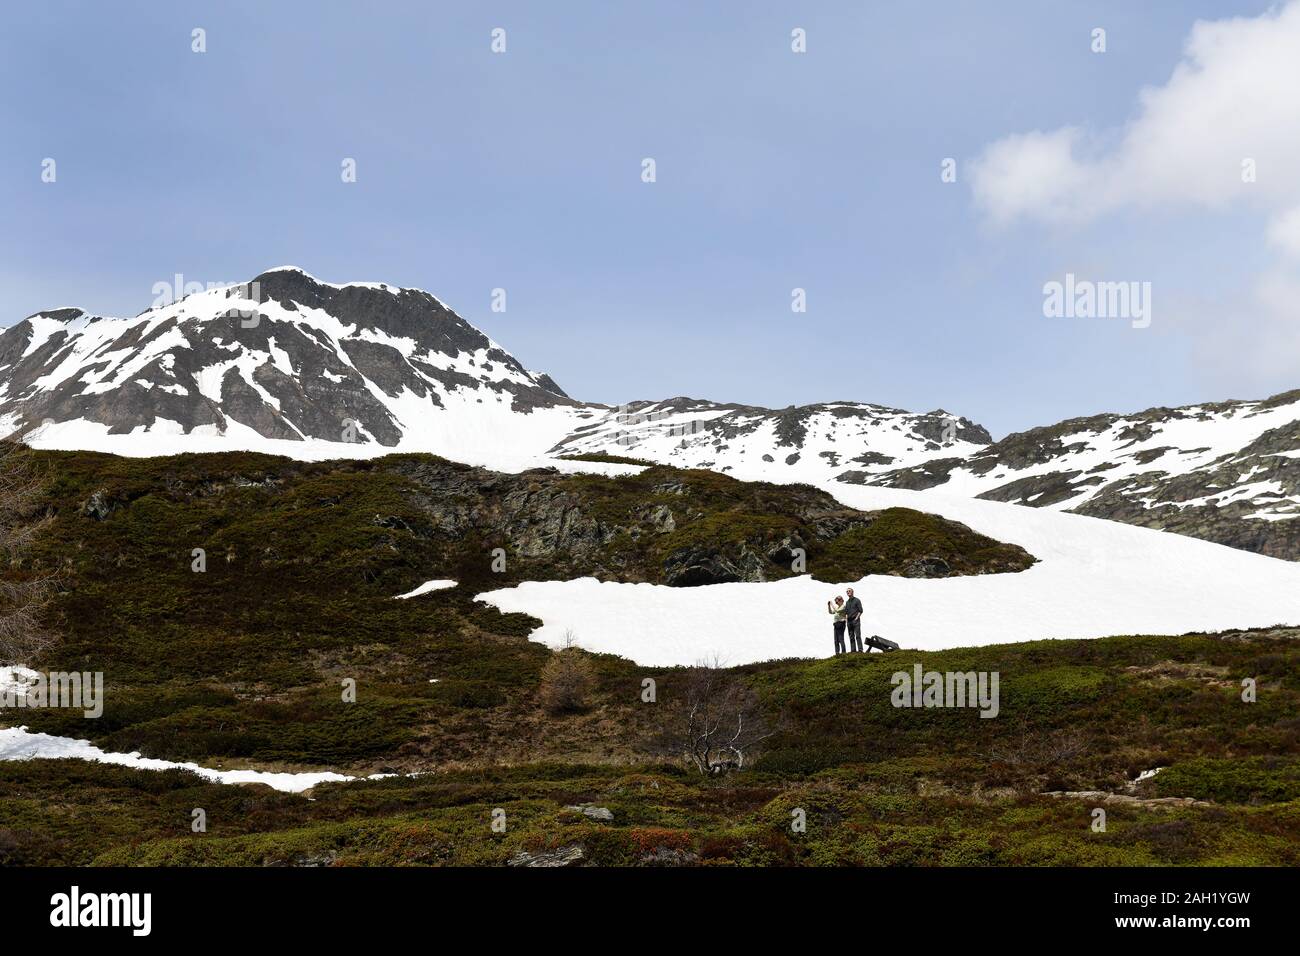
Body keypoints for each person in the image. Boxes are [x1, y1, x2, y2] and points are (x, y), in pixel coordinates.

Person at [844, 587, 864, 653]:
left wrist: (856, 618)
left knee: (858, 635)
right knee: (851, 636)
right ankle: (853, 650)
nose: (848, 592)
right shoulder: (847, 602)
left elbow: (860, 610)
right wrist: (846, 620)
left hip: (855, 620)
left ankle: (860, 650)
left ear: (852, 592)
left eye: (849, 591)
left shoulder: (857, 600)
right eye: (847, 591)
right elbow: (846, 612)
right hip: (849, 621)